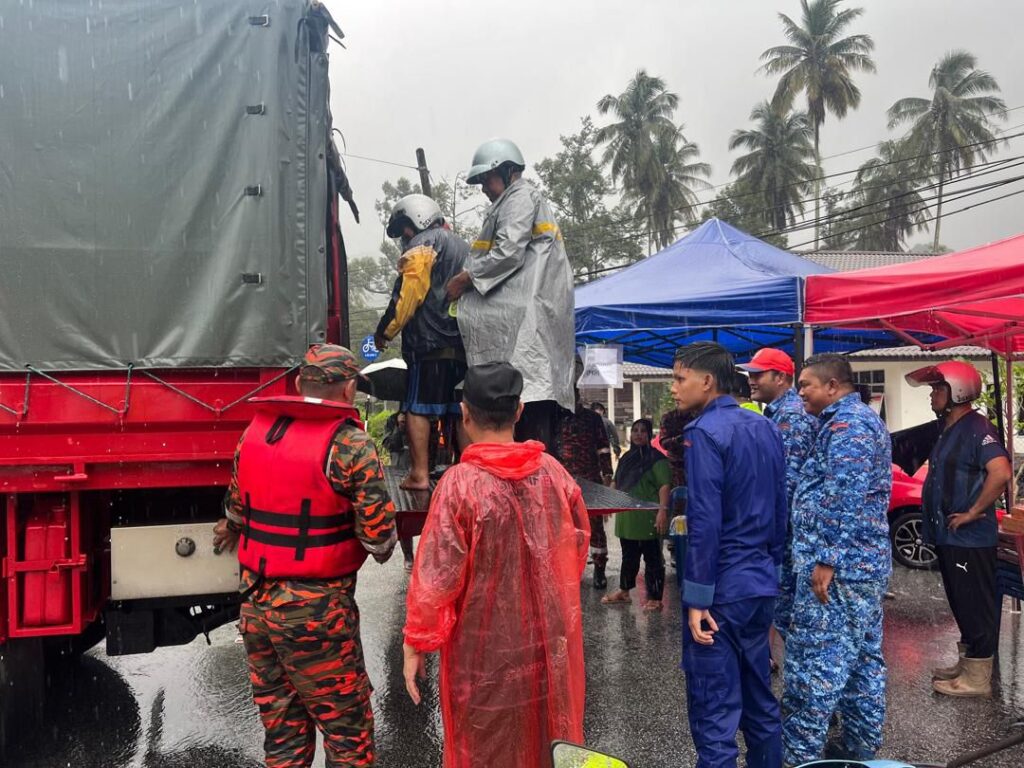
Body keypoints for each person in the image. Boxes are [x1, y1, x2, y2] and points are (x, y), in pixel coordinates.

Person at [213, 344, 396, 768]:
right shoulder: (350, 444)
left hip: (255, 607)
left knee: (283, 736)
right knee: (349, 738)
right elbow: (380, 542)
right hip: (316, 614)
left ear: (299, 384)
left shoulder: (255, 432)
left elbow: (236, 512)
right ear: (349, 388)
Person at [402, 362, 590, 768]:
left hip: (481, 654)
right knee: (547, 740)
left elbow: (436, 580)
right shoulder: (554, 476)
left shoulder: (458, 485)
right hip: (545, 647)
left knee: (483, 745)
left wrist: (416, 643)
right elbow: (575, 548)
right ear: (519, 411)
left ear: (465, 414)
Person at [671, 342, 786, 768]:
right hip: (758, 585)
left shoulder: (703, 433)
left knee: (715, 714)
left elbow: (704, 520)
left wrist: (698, 597)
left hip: (721, 591)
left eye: (680, 379)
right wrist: (770, 568)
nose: (674, 389)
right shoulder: (766, 427)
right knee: (759, 703)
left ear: (707, 381)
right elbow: (780, 508)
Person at [784, 353, 892, 765]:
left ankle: (801, 759)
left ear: (833, 386)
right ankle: (858, 750)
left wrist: (826, 558)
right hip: (857, 568)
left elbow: (844, 495)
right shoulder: (847, 422)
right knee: (863, 662)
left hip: (838, 572)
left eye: (806, 385)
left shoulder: (849, 426)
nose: (801, 394)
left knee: (816, 666)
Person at [445, 138, 575, 454]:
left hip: (528, 317)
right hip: (528, 318)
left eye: (486, 179)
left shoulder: (520, 197)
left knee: (531, 413)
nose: (483, 189)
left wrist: (466, 279)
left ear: (508, 171)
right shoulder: (511, 201)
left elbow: (508, 252)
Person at [906, 362, 1012, 697]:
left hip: (970, 537)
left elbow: (1001, 472)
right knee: (961, 601)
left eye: (938, 389)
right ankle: (967, 663)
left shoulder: (977, 428)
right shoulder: (950, 428)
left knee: (974, 603)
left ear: (959, 390)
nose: (933, 396)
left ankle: (978, 677)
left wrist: (973, 511)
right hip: (950, 536)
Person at [375, 193, 469, 490]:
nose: (405, 235)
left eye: (405, 227)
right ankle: (468, 474)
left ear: (418, 217)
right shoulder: (464, 247)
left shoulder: (423, 245)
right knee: (460, 409)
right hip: (463, 344)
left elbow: (408, 297)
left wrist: (384, 333)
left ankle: (418, 474)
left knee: (418, 409)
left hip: (429, 343)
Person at [738, 348, 818, 642]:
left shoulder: (792, 417)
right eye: (751, 373)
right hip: (786, 534)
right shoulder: (777, 413)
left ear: (781, 377)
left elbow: (788, 484)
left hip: (791, 535)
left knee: (790, 612)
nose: (751, 380)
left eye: (759, 374)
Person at [601, 418, 672, 611]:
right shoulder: (626, 458)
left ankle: (655, 598)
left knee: (653, 560)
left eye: (643, 431)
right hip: (627, 519)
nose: (638, 434)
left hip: (647, 519)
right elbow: (616, 483)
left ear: (649, 435)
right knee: (628, 557)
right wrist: (608, 504)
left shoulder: (657, 459)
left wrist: (662, 512)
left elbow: (664, 486)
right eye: (635, 431)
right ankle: (624, 592)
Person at [557, 361, 614, 589]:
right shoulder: (556, 418)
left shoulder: (592, 418)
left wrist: (608, 472)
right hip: (562, 482)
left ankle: (599, 570)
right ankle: (570, 570)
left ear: (577, 394)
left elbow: (603, 446)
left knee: (595, 525)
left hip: (589, 479)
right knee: (564, 528)